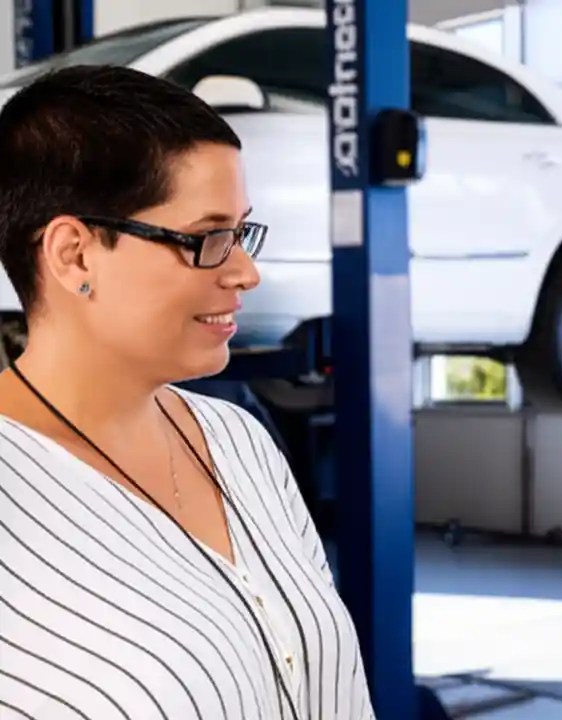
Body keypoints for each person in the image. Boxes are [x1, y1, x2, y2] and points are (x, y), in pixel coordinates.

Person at [0, 66, 374, 719]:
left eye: (242, 232)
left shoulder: (241, 442)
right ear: (74, 256)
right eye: (207, 239)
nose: (246, 271)